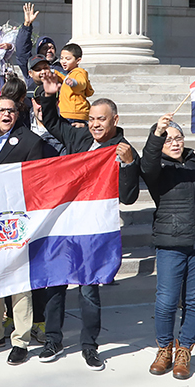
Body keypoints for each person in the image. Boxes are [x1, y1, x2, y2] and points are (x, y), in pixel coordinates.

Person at [36, 73, 141, 369]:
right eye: (92, 118)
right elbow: (54, 124)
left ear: (114, 120)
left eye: (101, 119)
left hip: (93, 231)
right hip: (65, 224)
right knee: (55, 284)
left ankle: (89, 345)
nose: (95, 124)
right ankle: (53, 340)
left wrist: (130, 165)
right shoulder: (81, 137)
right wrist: (49, 95)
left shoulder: (123, 150)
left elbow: (129, 197)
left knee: (88, 290)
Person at [0, 95, 56, 366]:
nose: (7, 114)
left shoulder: (30, 141)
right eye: (1, 110)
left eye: (12, 110)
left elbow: (37, 180)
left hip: (16, 220)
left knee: (18, 282)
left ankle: (20, 339)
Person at [140, 114, 195, 380]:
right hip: (170, 244)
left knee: (194, 302)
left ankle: (184, 350)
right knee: (166, 302)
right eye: (168, 140)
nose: (174, 143)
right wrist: (157, 133)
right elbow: (148, 162)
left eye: (178, 138)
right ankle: (164, 349)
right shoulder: (157, 168)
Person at [57, 43, 94, 123]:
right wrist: (56, 74)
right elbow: (66, 80)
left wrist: (74, 83)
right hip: (68, 113)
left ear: (78, 60)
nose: (63, 61)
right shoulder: (71, 74)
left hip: (74, 114)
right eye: (62, 58)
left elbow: (81, 83)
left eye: (68, 59)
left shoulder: (79, 73)